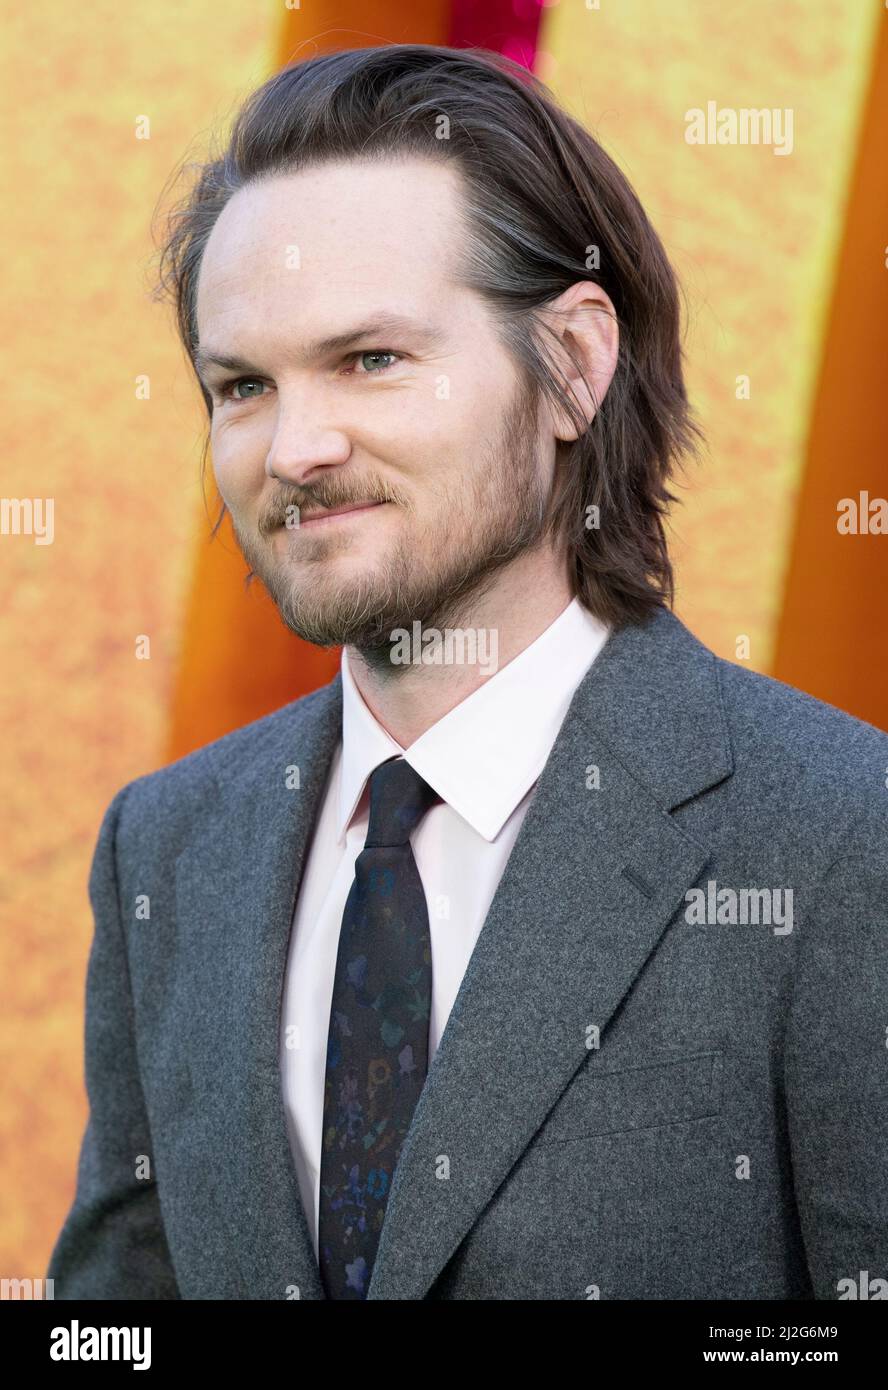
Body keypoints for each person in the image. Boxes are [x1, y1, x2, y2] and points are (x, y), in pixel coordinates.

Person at [48, 44, 887, 1301]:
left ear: (574, 365)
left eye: (371, 359)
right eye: (242, 386)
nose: (297, 446)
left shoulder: (840, 830)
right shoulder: (166, 847)